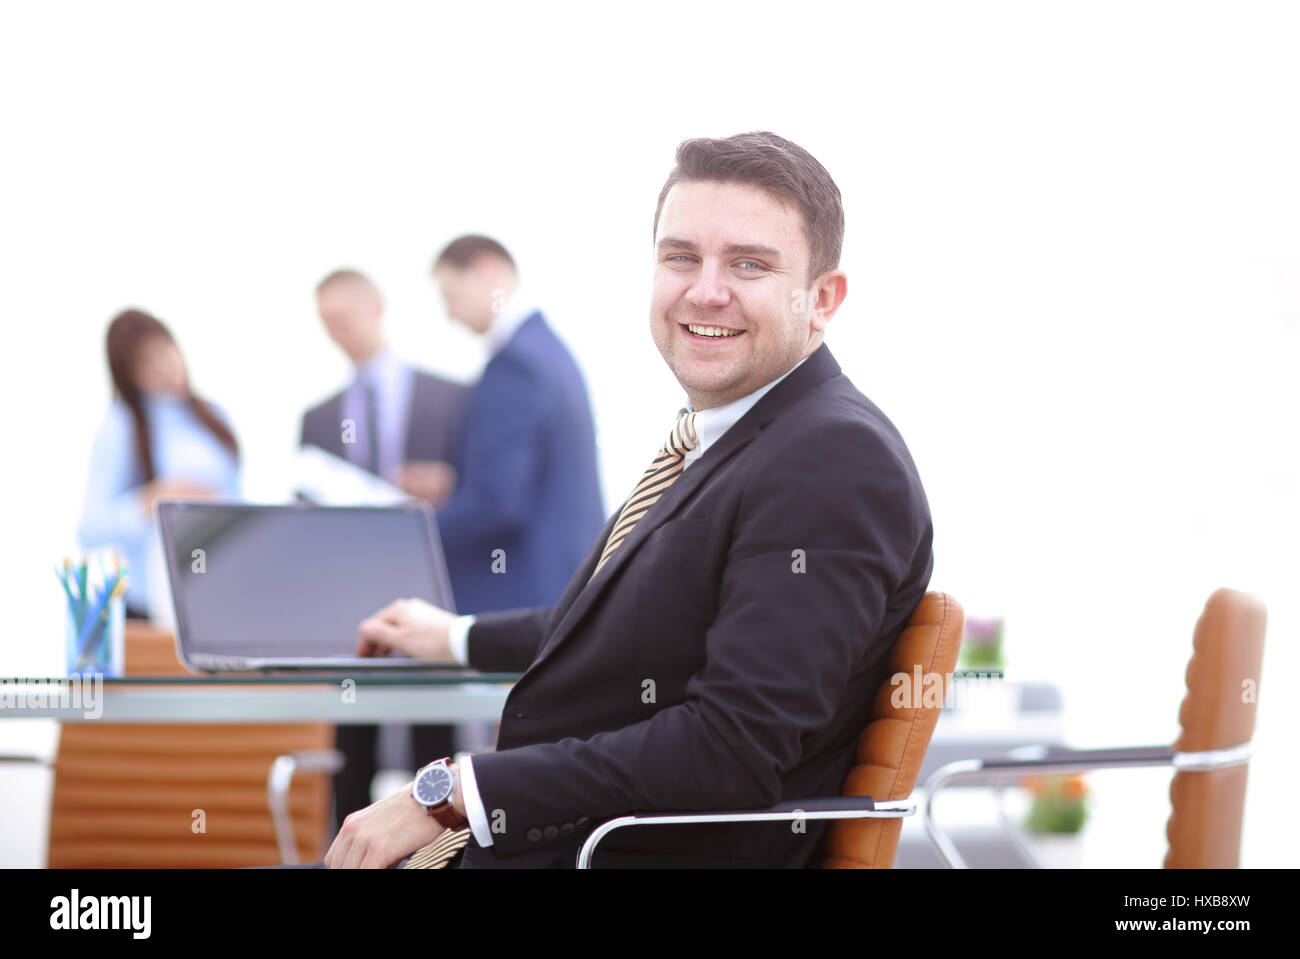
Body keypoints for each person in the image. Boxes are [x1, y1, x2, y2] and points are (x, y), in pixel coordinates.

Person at [325, 131, 934, 869]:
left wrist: (452, 791)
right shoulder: (737, 437)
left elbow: (728, 749)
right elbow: (624, 626)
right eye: (681, 257)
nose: (705, 290)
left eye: (749, 263)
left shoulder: (832, 459)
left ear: (823, 299)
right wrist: (453, 635)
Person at [300, 268, 472, 829]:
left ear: (375, 308)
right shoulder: (318, 419)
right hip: (353, 603)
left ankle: (435, 854)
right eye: (326, 326)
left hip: (431, 592)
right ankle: (346, 852)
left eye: (343, 320)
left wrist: (447, 484)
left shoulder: (451, 398)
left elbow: (481, 492)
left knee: (433, 742)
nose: (336, 334)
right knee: (353, 738)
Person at [425, 235, 606, 615]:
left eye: (450, 295)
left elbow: (497, 504)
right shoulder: (548, 352)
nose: (448, 313)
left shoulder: (514, 365)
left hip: (519, 600)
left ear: (487, 268)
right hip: (559, 588)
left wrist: (413, 533)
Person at [79, 309, 241, 621]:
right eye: (146, 362)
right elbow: (90, 529)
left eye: (166, 349)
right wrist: (151, 500)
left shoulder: (213, 418)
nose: (165, 366)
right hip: (152, 607)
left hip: (217, 593)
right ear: (128, 375)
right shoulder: (122, 427)